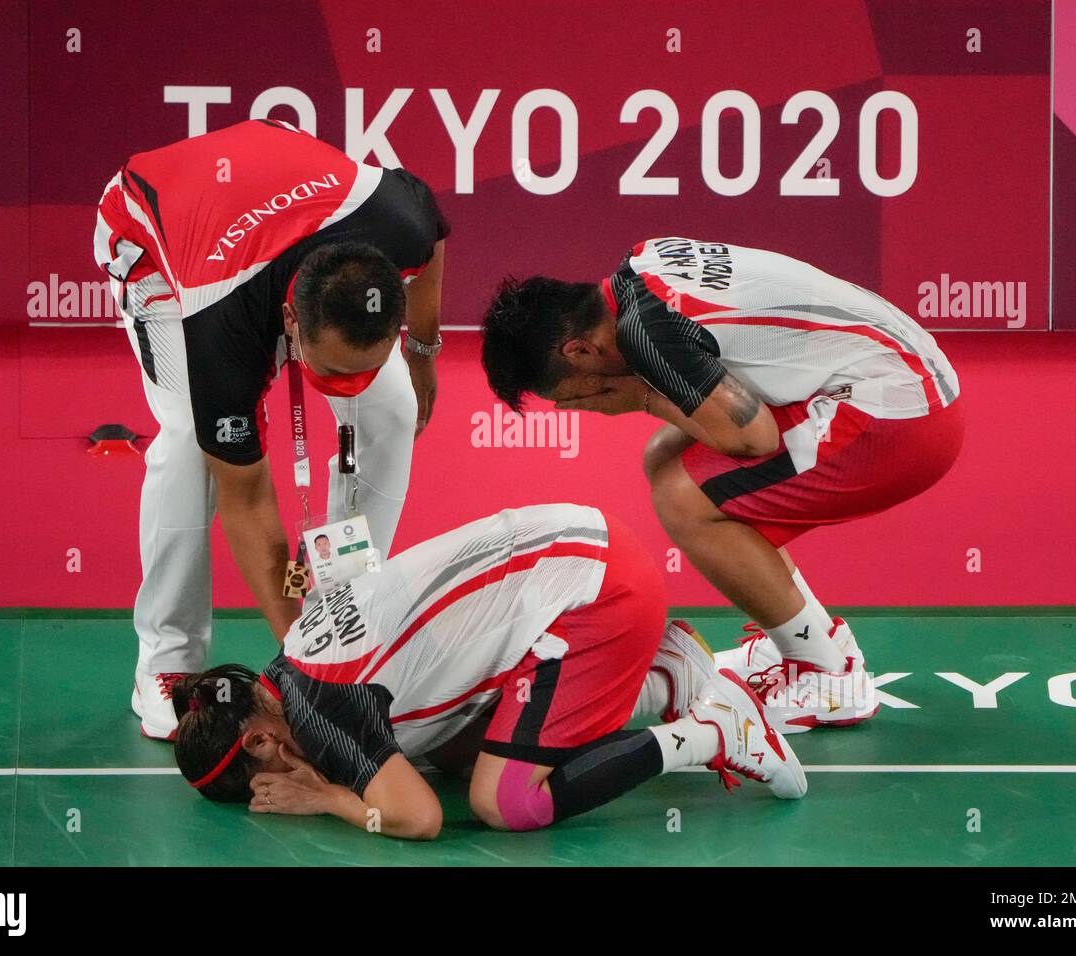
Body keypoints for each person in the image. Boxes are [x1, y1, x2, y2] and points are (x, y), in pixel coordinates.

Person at [479, 239, 964, 733]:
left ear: (579, 350)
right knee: (664, 458)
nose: (583, 404)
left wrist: (641, 400)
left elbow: (753, 440)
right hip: (885, 370)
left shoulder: (651, 335)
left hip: (903, 417)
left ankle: (829, 679)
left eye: (573, 395)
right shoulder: (637, 269)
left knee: (685, 500)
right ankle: (816, 640)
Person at [93, 119, 449, 740]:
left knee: (389, 409)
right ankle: (166, 662)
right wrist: (303, 659)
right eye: (336, 371)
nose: (350, 386)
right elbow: (247, 495)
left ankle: (344, 604)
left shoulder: (399, 225)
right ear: (291, 322)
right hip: (160, 242)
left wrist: (419, 350)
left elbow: (435, 238)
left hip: (274, 205)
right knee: (186, 443)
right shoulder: (221, 322)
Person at [171, 504, 806, 838]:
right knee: (451, 754)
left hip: (598, 595)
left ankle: (716, 731)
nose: (283, 781)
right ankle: (662, 676)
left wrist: (328, 797)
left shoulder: (323, 706)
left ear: (259, 741)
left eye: (269, 780)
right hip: (584, 547)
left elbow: (419, 820)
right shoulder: (293, 665)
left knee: (504, 802)